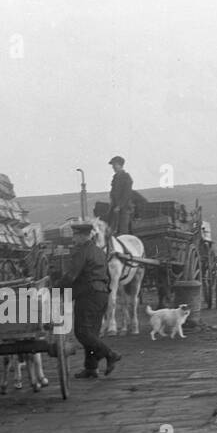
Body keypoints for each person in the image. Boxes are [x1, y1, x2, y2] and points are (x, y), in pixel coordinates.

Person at [57, 221, 121, 378]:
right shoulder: (99, 251)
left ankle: (110, 354)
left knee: (82, 332)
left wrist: (55, 289)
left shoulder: (82, 251)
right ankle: (91, 368)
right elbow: (107, 274)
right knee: (92, 332)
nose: (73, 239)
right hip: (102, 295)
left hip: (88, 294)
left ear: (82, 236)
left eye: (75, 235)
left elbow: (72, 275)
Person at [108, 155, 134, 236]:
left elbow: (127, 194)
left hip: (124, 208)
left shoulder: (126, 177)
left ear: (120, 165)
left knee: (123, 232)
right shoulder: (115, 177)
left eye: (114, 165)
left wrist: (119, 206)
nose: (113, 167)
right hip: (115, 208)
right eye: (112, 165)